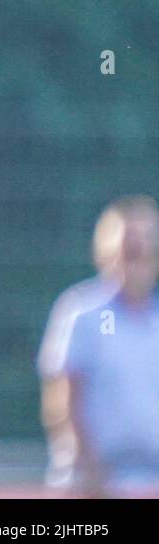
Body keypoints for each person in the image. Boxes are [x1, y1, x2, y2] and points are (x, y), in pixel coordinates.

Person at [39, 196, 159, 496]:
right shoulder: (81, 313)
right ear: (105, 249)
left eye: (147, 242)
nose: (139, 250)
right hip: (94, 484)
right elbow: (60, 401)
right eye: (129, 244)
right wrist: (92, 473)